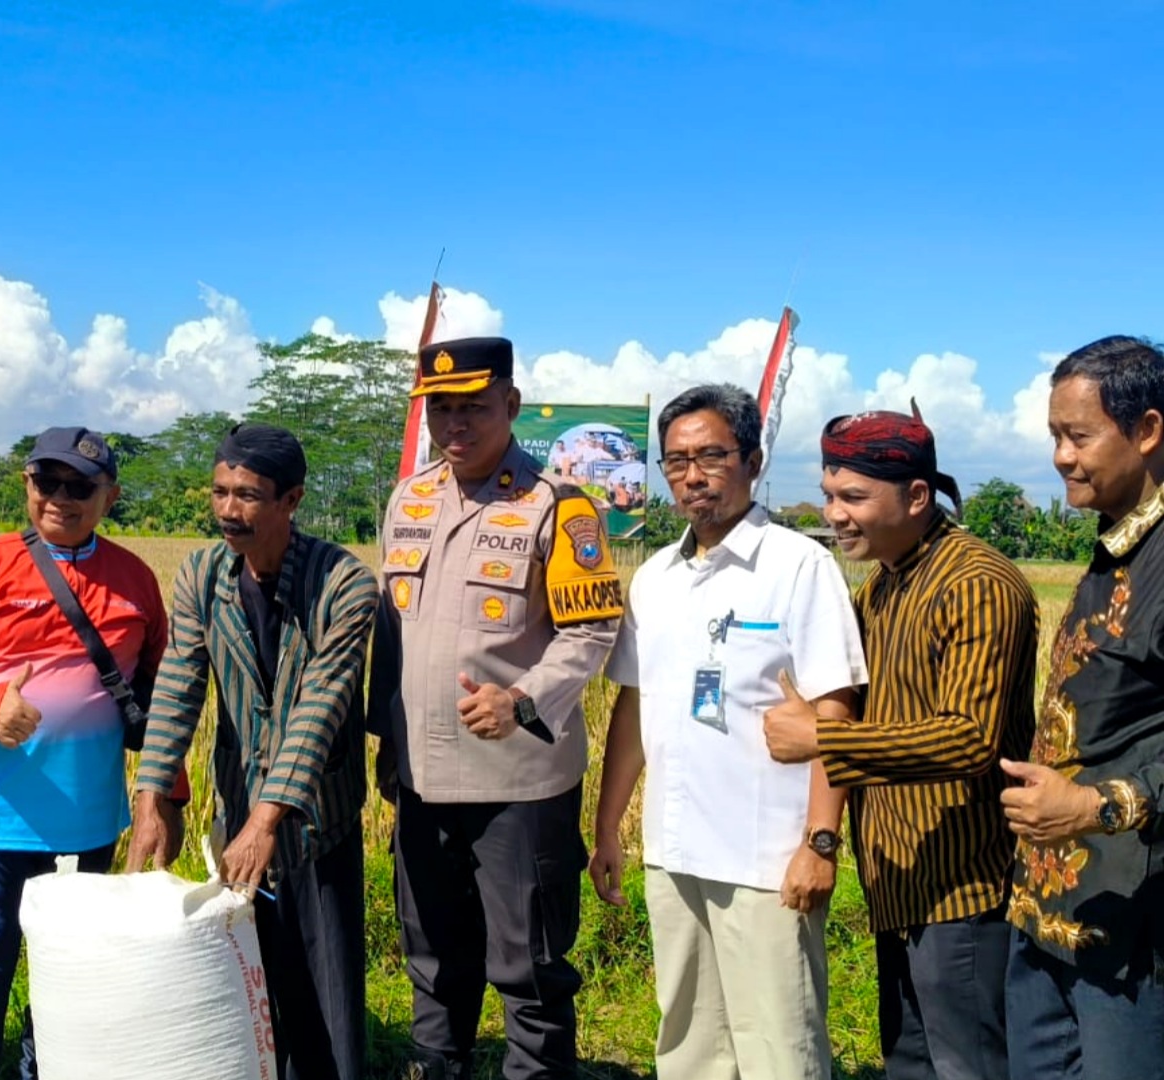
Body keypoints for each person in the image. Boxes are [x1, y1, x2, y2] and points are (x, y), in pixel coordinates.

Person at [999, 336, 1164, 1078]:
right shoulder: (1126, 540)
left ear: (1147, 431)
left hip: (1145, 936)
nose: (1059, 455)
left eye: (1077, 435)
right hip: (1069, 913)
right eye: (1054, 434)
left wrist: (1098, 806)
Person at [590, 384, 865, 1080]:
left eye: (711, 454)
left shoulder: (799, 567)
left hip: (765, 861)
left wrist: (819, 844)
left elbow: (835, 715)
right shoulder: (655, 578)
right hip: (675, 852)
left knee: (780, 1047)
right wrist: (608, 826)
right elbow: (634, 707)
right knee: (688, 1045)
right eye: (676, 460)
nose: (692, 474)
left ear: (752, 460)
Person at [370, 336, 621, 1080]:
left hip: (520, 782)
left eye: (474, 407)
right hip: (422, 775)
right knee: (432, 953)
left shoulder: (561, 507)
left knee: (529, 964)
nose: (457, 424)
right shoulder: (409, 497)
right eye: (442, 409)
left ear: (510, 405)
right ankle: (436, 1067)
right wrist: (389, 739)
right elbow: (394, 633)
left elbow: (592, 631)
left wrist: (520, 697)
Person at [764, 406, 1037, 1080]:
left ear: (917, 496)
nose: (834, 513)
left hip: (964, 888)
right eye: (830, 495)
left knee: (968, 1063)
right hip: (899, 878)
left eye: (853, 497)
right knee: (912, 1061)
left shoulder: (976, 584)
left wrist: (824, 737)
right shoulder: (884, 585)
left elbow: (969, 738)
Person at [0, 427, 181, 1080]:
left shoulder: (134, 578)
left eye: (79, 486)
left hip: (90, 816)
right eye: (46, 482)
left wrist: (169, 795)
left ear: (109, 496)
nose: (60, 498)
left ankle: (50, 1068)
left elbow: (166, 695)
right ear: (28, 486)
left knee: (70, 959)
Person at [129, 422, 378, 1080]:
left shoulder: (345, 583)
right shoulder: (202, 575)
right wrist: (151, 796)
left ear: (290, 501)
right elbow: (179, 686)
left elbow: (320, 705)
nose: (227, 511)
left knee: (325, 987)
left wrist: (268, 820)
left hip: (316, 814)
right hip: (235, 802)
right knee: (248, 979)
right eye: (219, 492)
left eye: (247, 496)